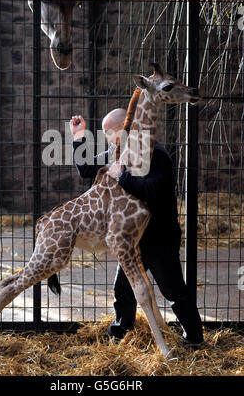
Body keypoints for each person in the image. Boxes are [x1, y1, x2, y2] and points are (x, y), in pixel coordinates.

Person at [69, 110, 204, 348]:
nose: (109, 138)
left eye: (111, 132)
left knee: (172, 290)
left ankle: (194, 339)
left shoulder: (155, 153)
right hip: (133, 237)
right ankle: (119, 336)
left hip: (158, 236)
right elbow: (85, 169)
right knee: (123, 289)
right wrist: (79, 137)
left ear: (125, 126)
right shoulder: (116, 152)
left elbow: (153, 191)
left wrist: (121, 177)